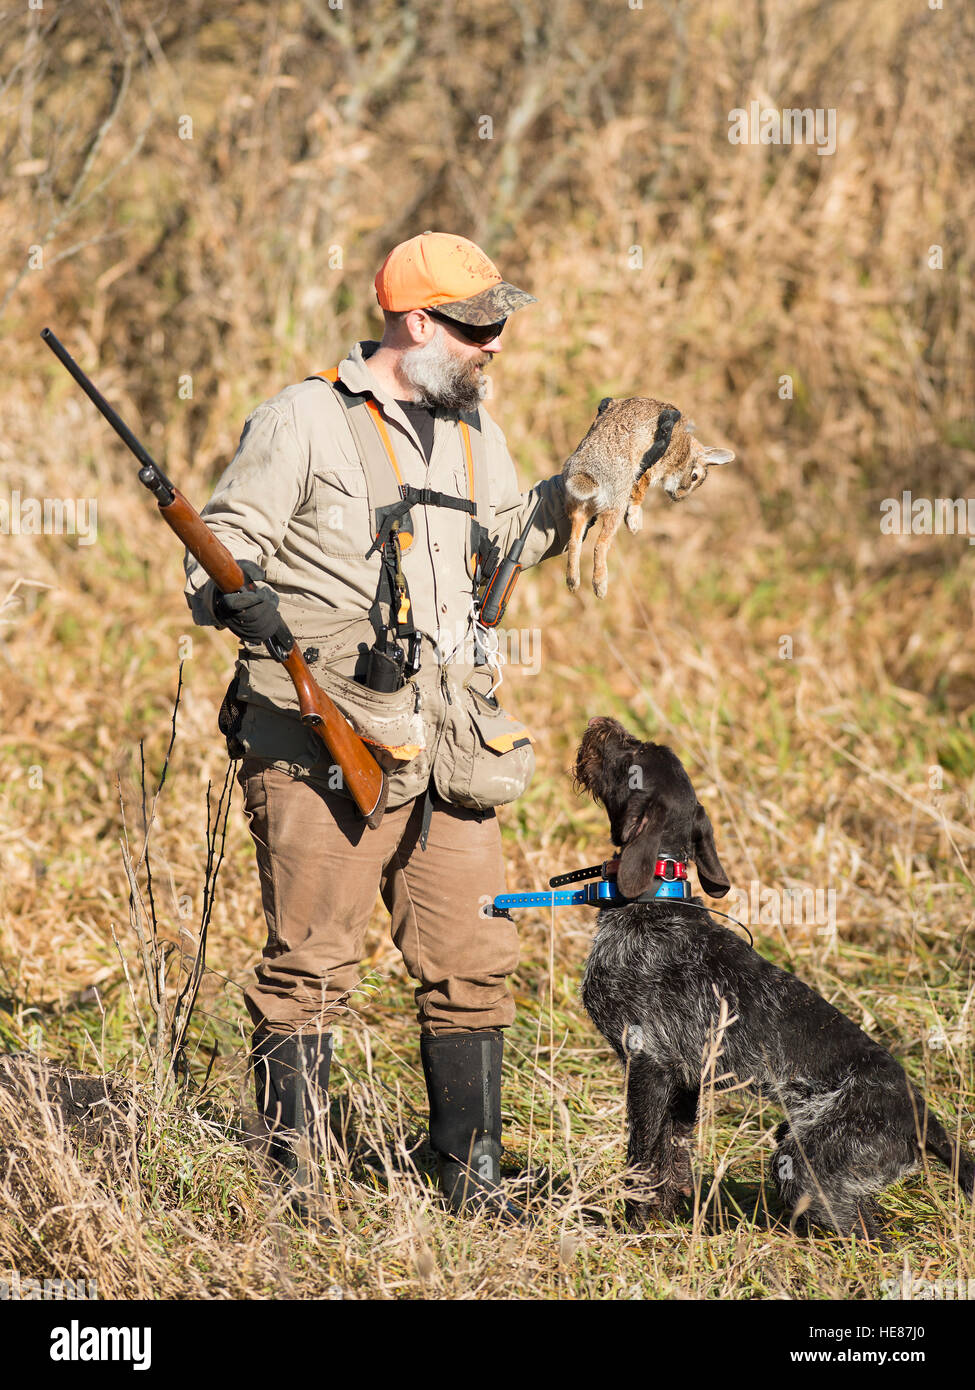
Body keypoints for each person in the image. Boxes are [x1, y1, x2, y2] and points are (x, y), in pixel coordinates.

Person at [184, 231, 572, 1218]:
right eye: (477, 326)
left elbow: (508, 541)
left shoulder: (479, 430)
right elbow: (218, 545)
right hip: (327, 738)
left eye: (496, 325)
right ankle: (295, 1190)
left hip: (450, 737)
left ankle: (470, 1176)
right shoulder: (303, 420)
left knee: (474, 961)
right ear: (414, 322)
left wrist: (581, 495)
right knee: (312, 964)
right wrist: (241, 596)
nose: (493, 345)